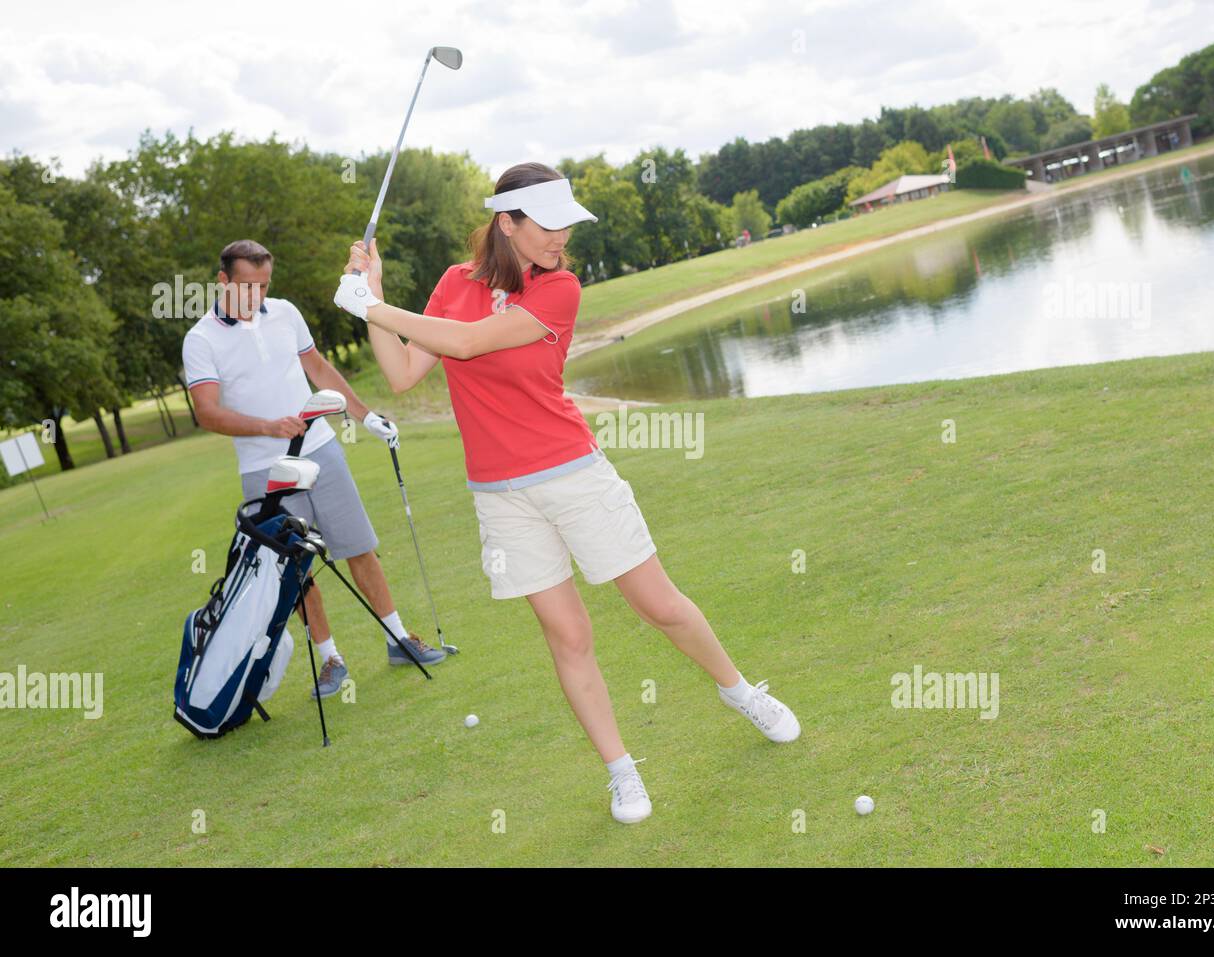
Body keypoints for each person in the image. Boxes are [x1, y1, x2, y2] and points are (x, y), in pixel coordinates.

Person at [332, 164, 800, 824]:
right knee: (567, 634)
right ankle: (621, 771)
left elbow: (468, 342)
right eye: (548, 223)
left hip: (572, 473)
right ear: (507, 222)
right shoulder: (452, 285)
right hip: (499, 493)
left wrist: (370, 307)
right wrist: (372, 293)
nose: (562, 236)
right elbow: (405, 373)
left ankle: (741, 691)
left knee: (659, 605)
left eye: (567, 223)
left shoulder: (560, 289)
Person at [183, 239, 447, 699]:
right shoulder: (201, 339)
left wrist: (366, 416)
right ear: (223, 281)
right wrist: (268, 426)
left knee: (360, 547)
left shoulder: (285, 312)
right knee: (295, 571)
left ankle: (397, 638)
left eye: (264, 285)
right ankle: (331, 660)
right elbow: (206, 412)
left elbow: (318, 368)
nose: (257, 296)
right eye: (247, 286)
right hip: (265, 470)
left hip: (320, 449)